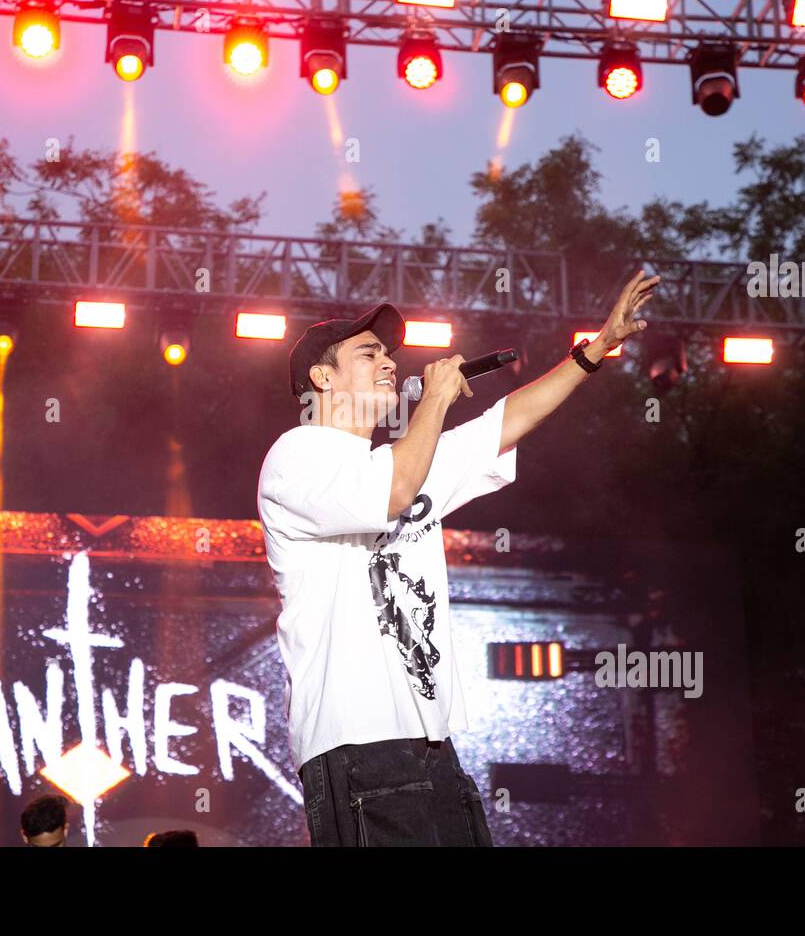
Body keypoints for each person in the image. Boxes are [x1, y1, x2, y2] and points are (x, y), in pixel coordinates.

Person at [257, 271, 658, 846]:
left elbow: (508, 421)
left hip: (432, 745)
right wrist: (438, 402)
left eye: (390, 354)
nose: (390, 362)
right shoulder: (297, 456)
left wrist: (595, 350)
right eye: (369, 353)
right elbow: (393, 492)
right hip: (356, 743)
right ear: (323, 376)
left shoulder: (404, 460)